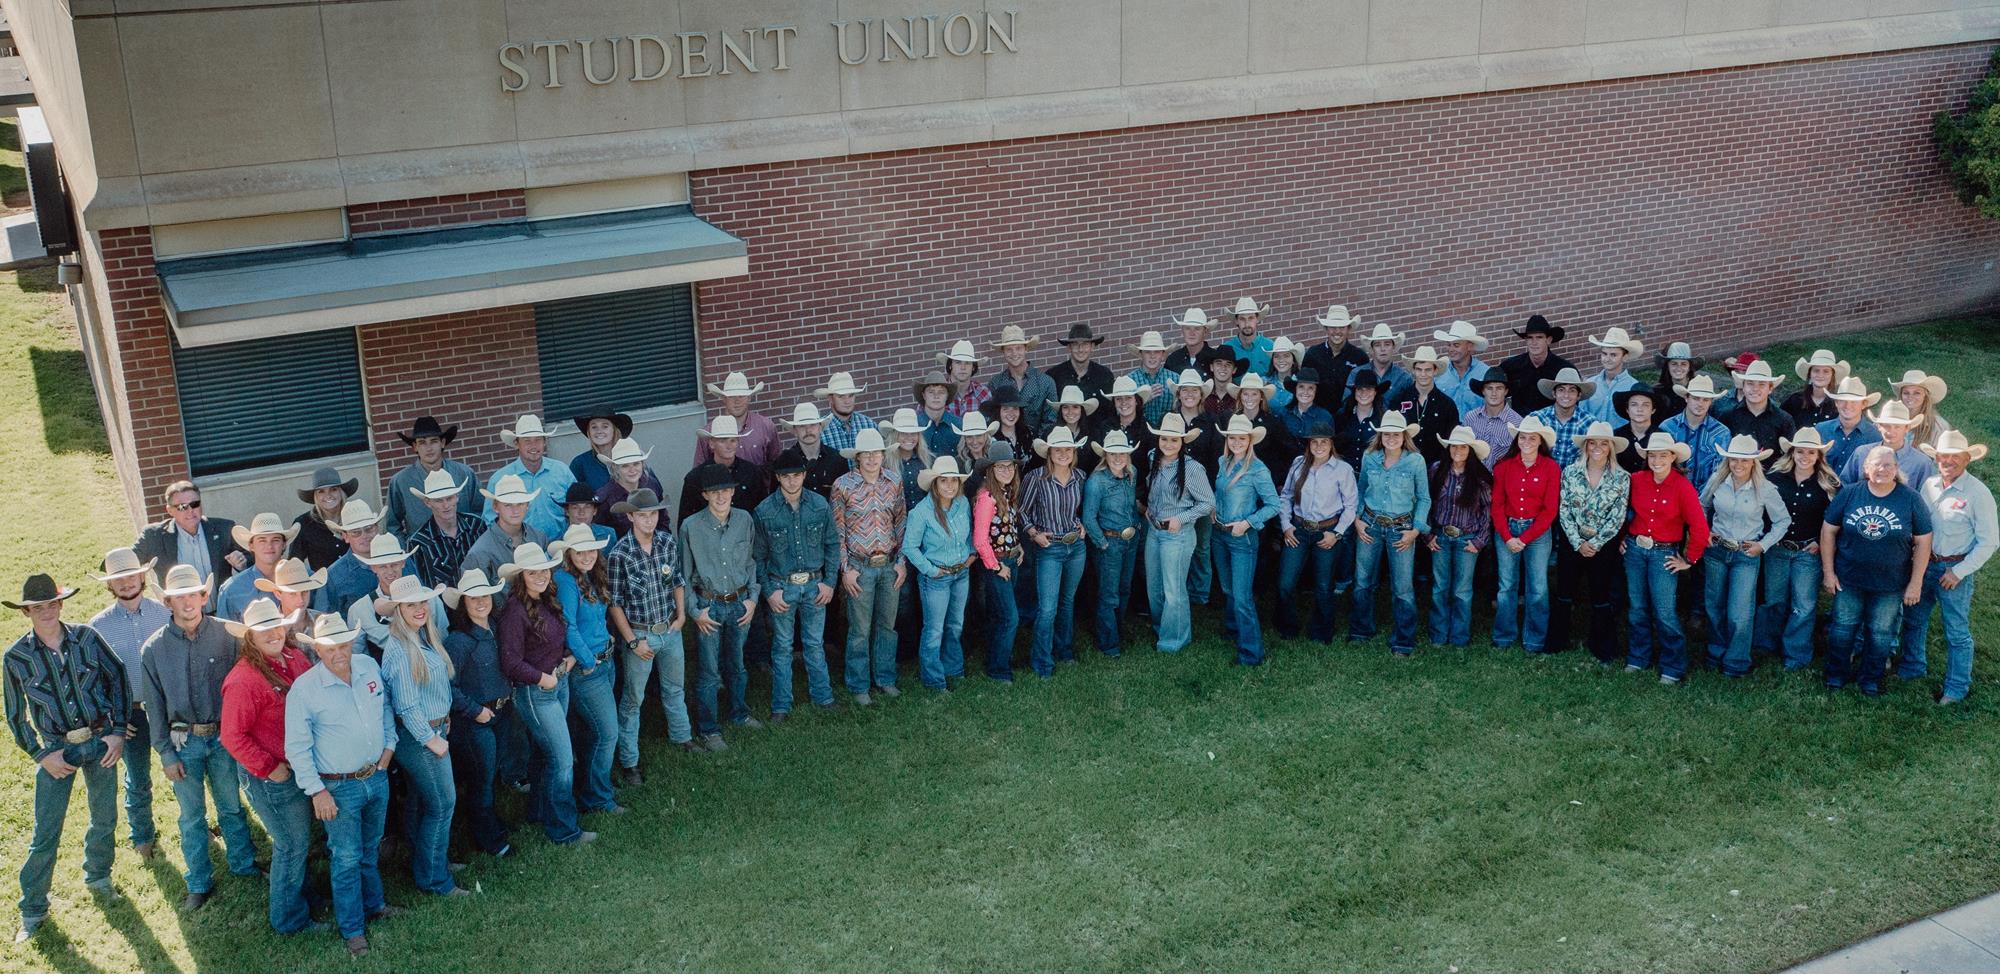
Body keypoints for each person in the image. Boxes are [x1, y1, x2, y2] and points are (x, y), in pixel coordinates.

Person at [5, 574, 129, 943]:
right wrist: (42, 754)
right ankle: (33, 908)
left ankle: (99, 876)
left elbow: (118, 678)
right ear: (27, 611)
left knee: (104, 815)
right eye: (37, 607)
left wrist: (117, 731)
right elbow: (15, 715)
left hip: (98, 741)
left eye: (51, 604)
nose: (45, 612)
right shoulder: (16, 658)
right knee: (46, 829)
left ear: (61, 604)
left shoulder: (88, 639)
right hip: (58, 750)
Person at [138, 564, 258, 911]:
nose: (188, 602)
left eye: (194, 594)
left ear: (204, 597)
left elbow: (243, 686)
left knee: (231, 806)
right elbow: (155, 706)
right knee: (191, 816)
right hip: (183, 741)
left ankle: (243, 863)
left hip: (223, 736)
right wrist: (165, 753)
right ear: (168, 603)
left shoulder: (228, 635)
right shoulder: (154, 649)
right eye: (180, 597)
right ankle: (199, 881)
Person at [283, 614, 396, 957]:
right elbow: (296, 748)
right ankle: (352, 929)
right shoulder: (305, 689)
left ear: (352, 643)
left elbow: (385, 709)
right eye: (330, 647)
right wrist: (317, 791)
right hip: (338, 788)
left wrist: (389, 747)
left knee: (370, 847)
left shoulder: (367, 668)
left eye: (344, 644)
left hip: (376, 776)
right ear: (317, 648)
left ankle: (375, 905)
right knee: (345, 857)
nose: (339, 653)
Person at [217, 597, 318, 934]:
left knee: (302, 840)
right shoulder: (243, 680)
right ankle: (288, 920)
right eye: (264, 630)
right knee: (292, 844)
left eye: (276, 625)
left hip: (299, 765)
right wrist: (269, 766)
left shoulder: (296, 658)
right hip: (273, 775)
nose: (273, 633)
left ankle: (304, 899)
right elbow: (232, 736)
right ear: (250, 637)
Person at [494, 542, 595, 844]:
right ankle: (564, 830)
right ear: (521, 575)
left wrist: (568, 657)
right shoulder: (514, 610)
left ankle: (539, 811)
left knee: (545, 754)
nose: (539, 575)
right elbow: (510, 662)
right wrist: (542, 678)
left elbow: (557, 636)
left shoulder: (547, 599)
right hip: (536, 693)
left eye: (543, 570)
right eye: (532, 571)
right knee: (563, 761)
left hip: (558, 683)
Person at [1821, 445, 1933, 696]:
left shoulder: (1911, 498)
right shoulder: (1850, 494)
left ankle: (1871, 678)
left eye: (1888, 465)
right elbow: (1828, 530)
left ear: (1896, 469)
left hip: (1890, 584)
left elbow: (1924, 541)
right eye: (1876, 464)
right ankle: (1836, 674)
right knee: (1842, 627)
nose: (1882, 469)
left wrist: (1915, 583)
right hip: (1849, 578)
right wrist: (1829, 572)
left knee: (1881, 632)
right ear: (1866, 468)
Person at [604, 488, 695, 775]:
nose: (649, 521)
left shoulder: (667, 542)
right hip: (641, 635)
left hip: (669, 628)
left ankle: (682, 737)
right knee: (633, 699)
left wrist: (680, 616)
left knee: (675, 688)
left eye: (653, 514)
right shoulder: (620, 553)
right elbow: (615, 603)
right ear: (630, 516)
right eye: (642, 516)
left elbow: (677, 581)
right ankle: (630, 760)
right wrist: (631, 641)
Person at [86, 548, 167, 861]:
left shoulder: (163, 613)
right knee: (137, 777)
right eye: (118, 578)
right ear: (110, 584)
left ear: (142, 576)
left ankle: (195, 825)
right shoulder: (99, 626)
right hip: (129, 713)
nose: (126, 583)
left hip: (165, 707)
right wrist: (113, 719)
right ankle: (143, 837)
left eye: (131, 575)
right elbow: (93, 680)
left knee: (180, 767)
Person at [1906, 431, 1997, 704]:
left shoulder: (1977, 493)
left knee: (1956, 631)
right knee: (1914, 619)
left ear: (1967, 459)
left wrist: (1959, 572)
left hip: (1954, 569)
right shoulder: (1930, 485)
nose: (1948, 461)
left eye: (1955, 456)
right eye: (1943, 456)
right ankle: (1912, 668)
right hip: (1925, 562)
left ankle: (1956, 688)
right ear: (1937, 458)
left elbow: (1990, 541)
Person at [754, 447, 841, 716]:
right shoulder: (765, 511)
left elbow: (832, 545)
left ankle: (823, 698)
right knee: (782, 646)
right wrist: (769, 592)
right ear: (778, 478)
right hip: (782, 586)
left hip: (815, 584)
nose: (791, 481)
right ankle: (781, 704)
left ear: (804, 475)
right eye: (785, 476)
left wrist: (829, 582)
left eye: (796, 475)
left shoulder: (819, 505)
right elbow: (758, 557)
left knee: (814, 643)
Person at [682, 463, 762, 747]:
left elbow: (751, 562)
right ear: (705, 495)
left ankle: (739, 712)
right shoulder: (691, 526)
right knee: (708, 670)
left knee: (737, 664)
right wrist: (695, 611)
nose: (720, 497)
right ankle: (708, 727)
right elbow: (683, 574)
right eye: (714, 492)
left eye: (726, 490)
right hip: (709, 605)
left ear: (733, 492)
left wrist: (753, 599)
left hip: (740, 602)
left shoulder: (744, 520)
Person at [1699, 436, 1791, 678]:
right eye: (1733, 460)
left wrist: (1763, 545)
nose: (1738, 464)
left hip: (1745, 554)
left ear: (1753, 462)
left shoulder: (1765, 488)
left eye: (1744, 460)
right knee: (1714, 605)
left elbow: (1783, 520)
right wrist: (1703, 532)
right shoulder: (1718, 481)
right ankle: (1715, 653)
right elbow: (1701, 506)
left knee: (1739, 612)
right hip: (1716, 550)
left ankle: (1736, 661)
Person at [1623, 433, 1711, 685]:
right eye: (1653, 455)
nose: (1657, 460)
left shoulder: (1682, 486)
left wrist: (1690, 559)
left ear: (1673, 457)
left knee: (1664, 611)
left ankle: (1673, 666)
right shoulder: (1636, 480)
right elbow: (1620, 510)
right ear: (1646, 457)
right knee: (1637, 607)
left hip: (1664, 553)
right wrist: (1620, 538)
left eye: (1663, 455)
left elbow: (1700, 528)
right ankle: (1638, 657)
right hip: (1635, 550)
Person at [440, 569, 513, 858]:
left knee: (493, 773)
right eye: (472, 598)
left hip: (502, 711)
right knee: (481, 779)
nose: (480, 602)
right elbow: (447, 686)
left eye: (484, 596)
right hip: (476, 720)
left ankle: (491, 824)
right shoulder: (459, 641)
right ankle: (488, 840)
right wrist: (474, 711)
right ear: (464, 603)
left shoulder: (495, 628)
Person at [833, 429, 908, 704]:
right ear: (858, 457)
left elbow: (901, 523)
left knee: (887, 625)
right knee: (860, 629)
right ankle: (859, 685)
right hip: (859, 566)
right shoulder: (843, 486)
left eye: (876, 453)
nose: (872, 458)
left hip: (889, 564)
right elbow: (837, 531)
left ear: (883, 455)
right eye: (866, 454)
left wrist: (901, 562)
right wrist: (845, 569)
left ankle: (885, 678)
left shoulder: (893, 482)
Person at [549, 524, 620, 815]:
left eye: (591, 549)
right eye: (580, 551)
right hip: (589, 670)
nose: (588, 555)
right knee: (607, 733)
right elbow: (568, 626)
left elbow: (592, 619)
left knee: (594, 734)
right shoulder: (565, 581)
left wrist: (606, 637)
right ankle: (598, 798)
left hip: (606, 660)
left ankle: (592, 789)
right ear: (569, 553)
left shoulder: (590, 576)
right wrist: (588, 660)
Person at [1758, 429, 1840, 671]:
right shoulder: (1774, 478)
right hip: (1778, 549)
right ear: (1792, 453)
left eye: (1811, 452)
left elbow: (1836, 520)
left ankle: (1796, 654)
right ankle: (1767, 645)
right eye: (1800, 451)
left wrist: (1820, 542)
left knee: (1803, 604)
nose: (1805, 456)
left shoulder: (1829, 484)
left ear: (1818, 455)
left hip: (1808, 551)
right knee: (1774, 600)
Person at [1349, 414, 1431, 657]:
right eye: (1387, 434)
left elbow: (1424, 498)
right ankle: (1361, 630)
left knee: (1402, 586)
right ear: (1381, 436)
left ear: (1404, 436)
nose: (1391, 438)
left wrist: (1416, 529)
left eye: (1396, 433)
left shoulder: (1415, 461)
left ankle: (1403, 640)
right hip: (1371, 523)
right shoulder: (1370, 457)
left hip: (1401, 528)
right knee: (1363, 580)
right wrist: (1357, 519)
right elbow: (1361, 489)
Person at [1550, 422, 1630, 661]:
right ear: (1586, 446)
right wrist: (1577, 542)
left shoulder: (1622, 477)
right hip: (1572, 542)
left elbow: (1618, 516)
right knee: (1564, 593)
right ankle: (1556, 641)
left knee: (1601, 596)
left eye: (1603, 443)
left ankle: (1602, 647)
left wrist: (1596, 542)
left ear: (1610, 447)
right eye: (1592, 443)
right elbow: (1563, 510)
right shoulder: (1570, 472)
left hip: (1603, 546)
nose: (1597, 447)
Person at [1276, 421, 1360, 643]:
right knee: (1285, 583)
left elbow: (1351, 506)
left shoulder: (1343, 469)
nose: (1319, 446)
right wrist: (1286, 525)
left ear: (1331, 444)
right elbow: (1285, 496)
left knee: (1323, 586)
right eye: (1315, 442)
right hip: (1299, 530)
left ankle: (1322, 631)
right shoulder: (1298, 465)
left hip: (1327, 531)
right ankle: (1288, 626)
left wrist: (1338, 533)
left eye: (1324, 441)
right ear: (1309, 444)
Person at [901, 456, 976, 691]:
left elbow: (970, 533)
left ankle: (954, 668)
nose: (950, 486)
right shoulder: (921, 512)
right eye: (944, 481)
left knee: (955, 624)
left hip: (960, 573)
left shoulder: (962, 503)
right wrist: (931, 570)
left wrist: (971, 554)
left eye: (954, 481)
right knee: (934, 629)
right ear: (935, 483)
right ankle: (933, 679)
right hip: (936, 579)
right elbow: (909, 547)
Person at [1143, 415, 1216, 654]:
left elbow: (1208, 503)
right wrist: (1148, 511)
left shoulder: (1193, 468)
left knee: (1173, 589)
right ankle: (1161, 627)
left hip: (1178, 535)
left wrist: (1180, 518)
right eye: (1164, 439)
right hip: (1154, 531)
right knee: (1154, 587)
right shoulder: (1153, 459)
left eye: (1174, 440)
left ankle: (1174, 640)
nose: (1168, 444)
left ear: (1182, 442)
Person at [1490, 416, 1561, 655]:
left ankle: (1535, 639)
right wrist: (1508, 537)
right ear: (1517, 440)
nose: (1527, 441)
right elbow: (1497, 506)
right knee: (1506, 585)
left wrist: (1525, 538)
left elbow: (1550, 509)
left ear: (1540, 441)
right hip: (1507, 529)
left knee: (1538, 586)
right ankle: (1504, 635)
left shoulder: (1551, 467)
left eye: (1532, 437)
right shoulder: (1503, 466)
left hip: (1538, 532)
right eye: (1523, 437)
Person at [1022, 428, 1089, 677]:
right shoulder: (1036, 478)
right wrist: (1033, 534)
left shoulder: (1081, 477)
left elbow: (1082, 508)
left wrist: (1082, 523)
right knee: (1047, 607)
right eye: (1058, 449)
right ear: (1049, 452)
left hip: (1076, 546)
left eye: (1067, 449)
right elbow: (1022, 511)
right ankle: (1042, 661)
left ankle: (1064, 650)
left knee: (1067, 601)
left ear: (1074, 452)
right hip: (1049, 548)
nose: (1063, 454)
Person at [1425, 427, 1492, 648]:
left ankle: (1460, 636)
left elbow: (1487, 509)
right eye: (1454, 446)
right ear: (1449, 448)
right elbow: (1426, 502)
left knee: (1462, 590)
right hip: (1441, 536)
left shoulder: (1479, 477)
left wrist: (1479, 540)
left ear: (1470, 450)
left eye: (1463, 447)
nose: (1458, 450)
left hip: (1467, 537)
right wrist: (1428, 534)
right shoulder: (1436, 470)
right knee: (1439, 587)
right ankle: (1438, 634)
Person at [133, 479, 246, 606]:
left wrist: (242, 564)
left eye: (195, 504)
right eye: (182, 507)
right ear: (169, 510)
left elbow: (254, 562)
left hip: (221, 613)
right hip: (181, 617)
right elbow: (127, 563)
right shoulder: (154, 536)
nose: (190, 511)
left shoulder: (224, 529)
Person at [1083, 431, 1143, 658]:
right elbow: (1088, 518)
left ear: (1128, 455)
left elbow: (1131, 507)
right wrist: (1103, 544)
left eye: (1123, 453)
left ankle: (1117, 630)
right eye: (1113, 453)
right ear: (1105, 455)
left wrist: (1136, 527)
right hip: (1110, 542)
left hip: (1130, 539)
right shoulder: (1096, 482)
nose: (1118, 458)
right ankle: (1108, 642)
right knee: (1109, 593)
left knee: (1124, 589)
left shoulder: (1131, 473)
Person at [971, 444, 1027, 680]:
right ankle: (999, 670)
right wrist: (996, 566)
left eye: (1010, 466)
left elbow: (1008, 527)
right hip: (998, 565)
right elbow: (980, 540)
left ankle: (997, 658)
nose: (1006, 470)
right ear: (990, 470)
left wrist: (1019, 546)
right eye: (1000, 467)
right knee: (1009, 617)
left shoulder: (1006, 492)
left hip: (1011, 559)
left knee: (998, 615)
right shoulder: (986, 498)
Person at [383, 417, 482, 541]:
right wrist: (409, 551)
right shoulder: (400, 481)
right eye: (422, 442)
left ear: (443, 443)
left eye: (434, 441)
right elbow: (391, 525)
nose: (428, 448)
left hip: (466, 548)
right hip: (422, 554)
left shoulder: (464, 474)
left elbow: (480, 512)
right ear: (415, 446)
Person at [485, 414, 578, 542]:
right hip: (520, 552)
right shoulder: (500, 480)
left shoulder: (562, 472)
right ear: (517, 443)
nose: (533, 446)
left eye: (538, 440)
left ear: (544, 442)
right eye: (527, 441)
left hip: (561, 547)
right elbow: (490, 522)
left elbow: (577, 509)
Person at [680, 414, 770, 525]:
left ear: (738, 442)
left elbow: (763, 513)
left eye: (733, 440)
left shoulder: (752, 473)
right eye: (723, 441)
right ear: (711, 444)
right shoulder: (695, 479)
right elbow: (685, 523)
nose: (729, 446)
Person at [405, 470, 487, 589]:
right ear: (428, 503)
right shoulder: (418, 543)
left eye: (449, 498)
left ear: (457, 497)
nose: (446, 505)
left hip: (482, 601)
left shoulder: (477, 525)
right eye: (438, 500)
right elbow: (420, 588)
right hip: (444, 607)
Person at [460, 475, 549, 584]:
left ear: (527, 505)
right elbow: (472, 597)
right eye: (508, 505)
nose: (515, 510)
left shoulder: (539, 538)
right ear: (495, 507)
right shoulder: (480, 552)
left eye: (520, 503)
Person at [215, 513, 300, 620]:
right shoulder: (232, 590)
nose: (269, 546)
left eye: (275, 540)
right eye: (262, 540)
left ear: (284, 545)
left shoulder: (305, 580)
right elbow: (226, 634)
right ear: (251, 546)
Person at [693, 372, 780, 468]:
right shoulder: (710, 432)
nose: (737, 401)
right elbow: (699, 471)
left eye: (741, 396)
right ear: (724, 399)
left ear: (749, 398)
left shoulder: (766, 426)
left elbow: (777, 465)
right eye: (731, 397)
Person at [1839, 401, 1935, 487]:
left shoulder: (1921, 462)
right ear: (1879, 426)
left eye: (1897, 427)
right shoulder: (1861, 453)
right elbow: (1845, 485)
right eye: (1886, 426)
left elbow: (1924, 497)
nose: (1890, 431)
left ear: (1907, 428)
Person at [1663, 374, 1731, 489]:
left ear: (1711, 402)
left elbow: (1720, 473)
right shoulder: (1668, 428)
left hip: (1705, 500)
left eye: (1705, 400)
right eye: (1695, 398)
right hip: (1670, 496)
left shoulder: (1721, 433)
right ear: (1686, 398)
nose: (1700, 404)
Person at [1497, 314, 1573, 416]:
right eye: (1530, 337)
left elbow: (1573, 403)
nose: (1534, 342)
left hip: (1551, 426)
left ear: (1549, 340)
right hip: (1519, 425)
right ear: (1526, 340)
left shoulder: (1564, 369)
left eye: (1539, 337)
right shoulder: (1510, 367)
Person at [1397, 346, 1461, 468]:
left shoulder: (1447, 405)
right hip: (1404, 467)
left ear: (1435, 371)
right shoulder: (1399, 400)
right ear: (1413, 371)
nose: (1423, 374)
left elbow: (1451, 441)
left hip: (1436, 468)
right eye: (1419, 369)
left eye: (1428, 370)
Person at [1719, 360, 1797, 458]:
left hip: (1771, 472)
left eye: (1762, 384)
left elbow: (1789, 456)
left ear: (1770, 388)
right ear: (1743, 386)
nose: (1755, 389)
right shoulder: (1728, 416)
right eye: (1750, 383)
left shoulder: (1784, 420)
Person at [591, 437, 666, 537]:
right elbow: (602, 533)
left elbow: (663, 520)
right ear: (615, 468)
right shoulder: (604, 497)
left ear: (642, 465)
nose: (632, 470)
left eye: (636, 464)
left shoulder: (652, 485)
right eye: (625, 466)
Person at [989, 325, 1058, 429]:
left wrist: (1035, 444)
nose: (1014, 353)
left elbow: (1051, 421)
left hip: (1038, 443)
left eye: (1018, 348)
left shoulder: (1045, 382)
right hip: (1006, 443)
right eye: (1009, 349)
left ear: (1026, 349)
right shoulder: (996, 383)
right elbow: (993, 419)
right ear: (1003, 352)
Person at [292, 466, 359, 570]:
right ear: (315, 496)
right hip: (325, 585)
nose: (328, 495)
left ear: (341, 493)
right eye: (321, 491)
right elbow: (294, 563)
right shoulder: (304, 524)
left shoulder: (356, 516)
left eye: (333, 489)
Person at [777, 404, 850, 499]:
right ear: (795, 431)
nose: (808, 430)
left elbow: (847, 496)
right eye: (802, 426)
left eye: (813, 425)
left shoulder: (837, 459)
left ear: (820, 427)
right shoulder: (785, 463)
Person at [1232, 373, 1294, 482]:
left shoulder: (1272, 423)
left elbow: (1288, 452)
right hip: (1237, 480)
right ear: (1240, 396)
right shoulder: (1232, 421)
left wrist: (1279, 480)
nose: (1249, 398)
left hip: (1266, 481)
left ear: (1261, 397)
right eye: (1245, 394)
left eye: (1254, 394)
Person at [1529, 367, 1595, 469]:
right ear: (1554, 393)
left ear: (1579, 395)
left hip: (1574, 482)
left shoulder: (1589, 423)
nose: (1566, 395)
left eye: (1572, 390)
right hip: (1542, 480)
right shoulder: (1537, 419)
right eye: (1561, 390)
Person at [1815, 376, 1883, 475]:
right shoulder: (1821, 430)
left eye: (1854, 401)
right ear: (1836, 403)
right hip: (1823, 488)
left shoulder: (1875, 436)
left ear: (1863, 404)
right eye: (1843, 400)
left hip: (1857, 490)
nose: (1847, 406)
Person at [1303, 305, 1369, 397]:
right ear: (1326, 329)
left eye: (1342, 327)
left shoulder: (1360, 357)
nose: (1337, 331)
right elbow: (1303, 385)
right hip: (1316, 410)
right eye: (1333, 327)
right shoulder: (1312, 354)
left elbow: (1366, 388)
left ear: (1348, 329)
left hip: (1349, 410)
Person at [1432, 320, 1495, 417]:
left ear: (1469, 346)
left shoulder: (1484, 373)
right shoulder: (1439, 371)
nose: (1451, 349)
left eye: (1456, 345)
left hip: (1476, 430)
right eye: (1449, 345)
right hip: (1444, 430)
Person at [567, 406, 634, 493]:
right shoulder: (580, 464)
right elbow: (573, 498)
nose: (599, 431)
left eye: (605, 426)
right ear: (589, 432)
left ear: (614, 430)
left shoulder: (631, 456)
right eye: (594, 427)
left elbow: (652, 487)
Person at [1461, 372, 1520, 470]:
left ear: (1506, 391)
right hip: (1473, 478)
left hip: (1502, 480)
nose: (1494, 393)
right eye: (1489, 388)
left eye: (1499, 388)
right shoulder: (1470, 418)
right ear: (1483, 391)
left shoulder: (1517, 423)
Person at [1348, 323, 1415, 407]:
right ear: (1371, 349)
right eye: (1377, 345)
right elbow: (1347, 405)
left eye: (1387, 344)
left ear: (1393, 348)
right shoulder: (1356, 373)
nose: (1382, 349)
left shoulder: (1404, 378)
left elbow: (1410, 408)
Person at [1888, 369, 1952, 451]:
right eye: (1906, 393)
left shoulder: (1938, 426)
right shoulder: (1889, 419)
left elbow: (1941, 457)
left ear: (1925, 395)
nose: (1910, 397)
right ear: (1901, 395)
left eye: (1917, 393)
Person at [816, 372, 877, 454]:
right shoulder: (819, 430)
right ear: (830, 398)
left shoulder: (869, 425)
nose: (847, 401)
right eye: (841, 396)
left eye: (851, 395)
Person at [1784, 351, 1848, 427]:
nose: (1820, 375)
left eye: (1826, 371)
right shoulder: (1794, 401)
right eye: (1816, 370)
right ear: (1810, 374)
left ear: (1832, 376)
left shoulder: (1839, 404)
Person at [1046, 385, 1101, 474]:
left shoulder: (1092, 433)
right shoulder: (1049, 433)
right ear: (1061, 410)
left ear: (1081, 410)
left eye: (1075, 407)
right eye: (1065, 407)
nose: (1070, 412)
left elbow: (1097, 463)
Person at [1217, 296, 1276, 378]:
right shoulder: (1227, 349)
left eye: (1251, 318)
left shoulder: (1270, 347)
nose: (1247, 324)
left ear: (1257, 319)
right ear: (1236, 321)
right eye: (1242, 319)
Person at [912, 372, 966, 458]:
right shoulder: (913, 426)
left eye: (941, 392)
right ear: (924, 395)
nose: (936, 396)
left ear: (947, 396)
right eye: (931, 392)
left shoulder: (959, 425)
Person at [1611, 387, 1664, 473]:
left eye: (1645, 405)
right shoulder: (1615, 436)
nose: (1639, 409)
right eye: (1634, 404)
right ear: (1627, 409)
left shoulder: (1662, 437)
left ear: (1653, 410)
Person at [1128, 331, 1176, 424]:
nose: (1152, 356)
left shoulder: (1174, 379)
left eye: (1157, 352)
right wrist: (1142, 400)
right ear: (1141, 355)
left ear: (1162, 355)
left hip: (1167, 434)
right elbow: (1120, 411)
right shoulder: (1130, 380)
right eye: (1147, 352)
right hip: (1139, 433)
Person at [937, 339, 992, 419]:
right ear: (950, 365)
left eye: (967, 363)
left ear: (973, 367)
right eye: (958, 362)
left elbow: (990, 424)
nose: (963, 367)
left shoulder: (983, 394)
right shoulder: (936, 393)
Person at [1279, 368, 1334, 443]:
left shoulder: (1325, 417)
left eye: (1310, 388)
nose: (1305, 392)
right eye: (1301, 387)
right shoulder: (1284, 413)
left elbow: (1328, 445)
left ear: (1316, 391)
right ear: (1296, 389)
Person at [1652, 342, 1701, 420]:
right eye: (1674, 364)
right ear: (1667, 366)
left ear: (1689, 367)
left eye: (1683, 364)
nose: (1679, 368)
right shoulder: (1657, 392)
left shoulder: (1698, 391)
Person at [983, 386, 1037, 454]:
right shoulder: (989, 437)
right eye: (1005, 409)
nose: (1011, 413)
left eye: (1015, 408)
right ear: (998, 411)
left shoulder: (1028, 432)